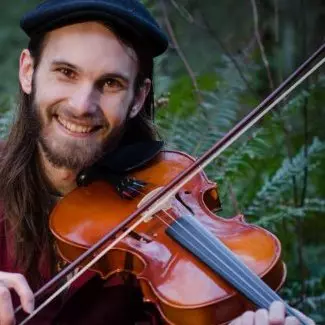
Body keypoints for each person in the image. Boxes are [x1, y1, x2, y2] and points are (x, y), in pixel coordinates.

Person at [0, 0, 315, 324]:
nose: (82, 105)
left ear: (138, 98)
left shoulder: (165, 257)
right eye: (66, 72)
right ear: (28, 72)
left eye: (110, 83)